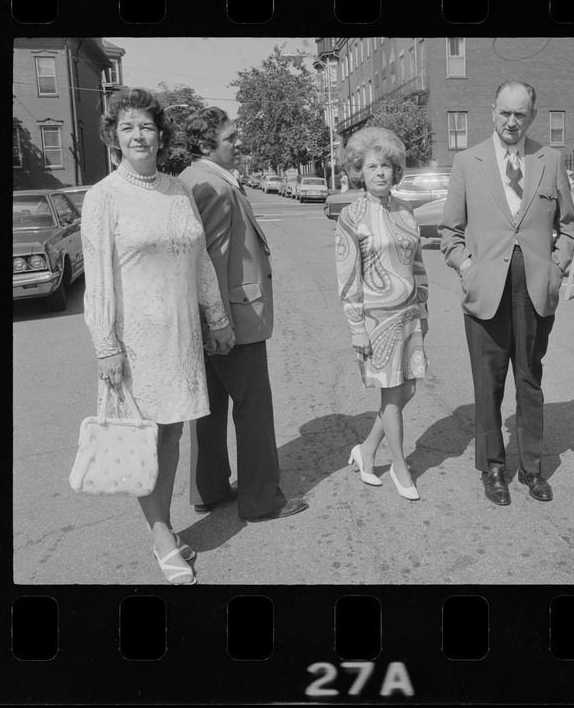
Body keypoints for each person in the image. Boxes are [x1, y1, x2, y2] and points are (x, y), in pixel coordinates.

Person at [82, 87, 236, 585]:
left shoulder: (177, 189)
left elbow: (201, 260)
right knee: (144, 438)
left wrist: (216, 317)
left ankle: (162, 525)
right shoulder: (103, 197)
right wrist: (106, 347)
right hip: (136, 340)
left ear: (160, 134)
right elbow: (99, 281)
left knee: (171, 431)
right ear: (114, 137)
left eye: (146, 126)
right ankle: (162, 535)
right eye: (127, 127)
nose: (138, 135)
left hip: (182, 336)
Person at [439, 81, 574, 506]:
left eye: (520, 114)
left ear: (532, 117)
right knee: (489, 383)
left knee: (529, 379)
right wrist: (466, 268)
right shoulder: (467, 162)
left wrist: (555, 267)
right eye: (505, 113)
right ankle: (493, 468)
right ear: (492, 112)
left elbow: (569, 226)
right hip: (486, 292)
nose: (511, 122)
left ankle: (531, 468)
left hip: (535, 291)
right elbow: (449, 231)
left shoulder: (550, 159)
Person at [178, 107, 308, 523]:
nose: (239, 143)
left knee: (211, 405)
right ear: (205, 144)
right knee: (253, 408)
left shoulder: (196, 179)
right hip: (233, 316)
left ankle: (210, 489)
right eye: (230, 138)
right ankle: (261, 500)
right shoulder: (208, 185)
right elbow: (206, 259)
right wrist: (218, 322)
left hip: (216, 315)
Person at [335, 127, 429, 501]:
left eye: (386, 165)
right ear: (359, 170)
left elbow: (418, 263)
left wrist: (424, 310)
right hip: (376, 319)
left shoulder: (405, 209)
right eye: (371, 166)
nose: (379, 173)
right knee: (391, 393)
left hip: (408, 315)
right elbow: (347, 277)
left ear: (395, 170)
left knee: (407, 389)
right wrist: (356, 328)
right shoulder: (351, 215)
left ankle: (367, 450)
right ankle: (400, 466)